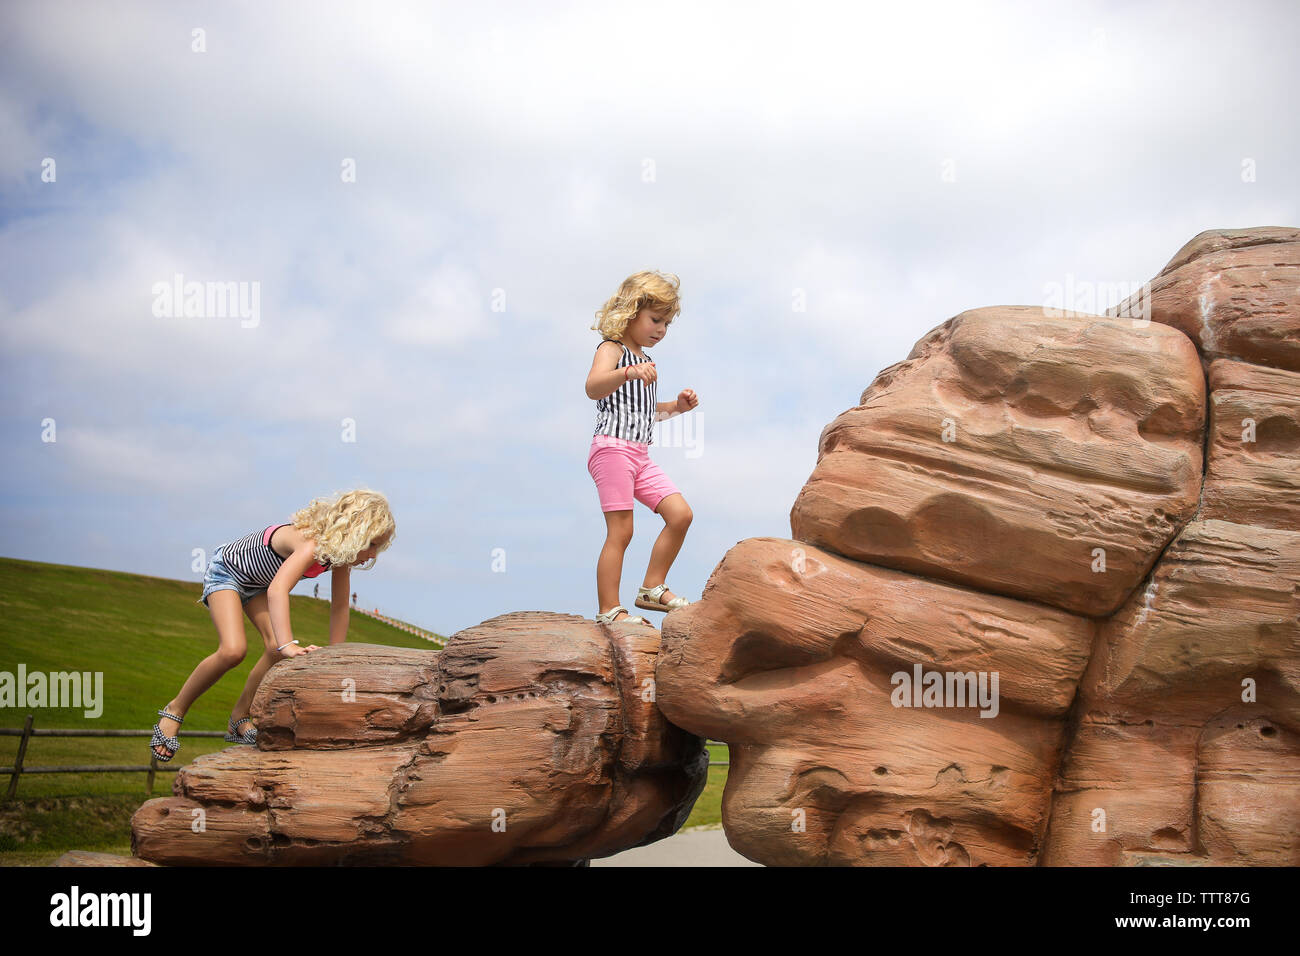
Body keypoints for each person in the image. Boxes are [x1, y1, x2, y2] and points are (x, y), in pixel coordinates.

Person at [150, 489, 396, 761]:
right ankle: (174, 711)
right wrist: (288, 643)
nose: (373, 555)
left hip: (257, 586)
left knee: (275, 650)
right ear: (356, 532)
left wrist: (335, 655)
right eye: (372, 544)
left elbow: (339, 606)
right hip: (228, 573)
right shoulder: (311, 545)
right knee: (234, 650)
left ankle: (238, 718)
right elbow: (278, 590)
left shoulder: (339, 558)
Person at [584, 270, 698, 625]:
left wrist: (677, 408)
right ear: (631, 312)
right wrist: (626, 374)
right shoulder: (612, 349)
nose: (661, 329)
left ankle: (651, 587)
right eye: (655, 319)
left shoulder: (647, 361)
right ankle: (609, 611)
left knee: (680, 515)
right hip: (612, 450)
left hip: (639, 455)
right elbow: (593, 387)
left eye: (666, 323)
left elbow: (645, 412)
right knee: (621, 530)